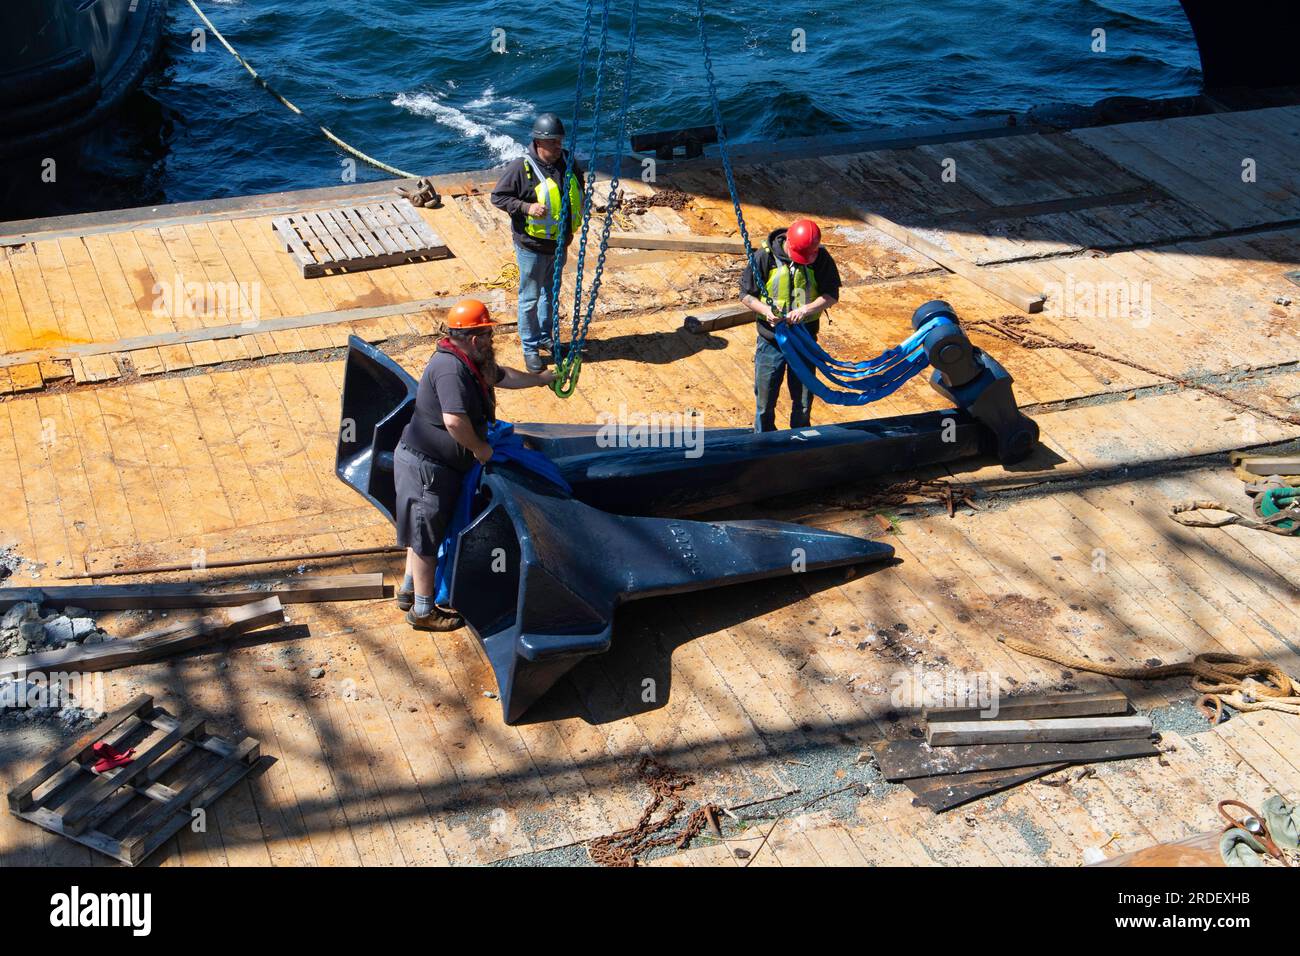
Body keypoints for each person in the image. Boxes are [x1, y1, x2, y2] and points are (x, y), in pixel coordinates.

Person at [394, 299, 555, 631]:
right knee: (425, 538)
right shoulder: (450, 369)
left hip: (437, 465)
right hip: (426, 467)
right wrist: (482, 449)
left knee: (421, 530)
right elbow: (453, 421)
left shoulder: (470, 359)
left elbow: (501, 376)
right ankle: (423, 612)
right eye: (485, 333)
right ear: (470, 337)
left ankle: (409, 589)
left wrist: (540, 379)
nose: (490, 338)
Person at [490, 112, 586, 373]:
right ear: (539, 142)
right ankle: (530, 349)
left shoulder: (567, 161)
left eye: (560, 141)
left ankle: (546, 338)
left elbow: (579, 187)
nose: (558, 147)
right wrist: (525, 207)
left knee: (550, 294)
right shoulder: (520, 168)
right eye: (553, 142)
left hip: (559, 244)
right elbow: (498, 197)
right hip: (531, 247)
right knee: (529, 298)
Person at [738, 218, 841, 433]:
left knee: (803, 400)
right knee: (765, 402)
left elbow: (831, 295)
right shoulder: (765, 257)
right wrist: (767, 312)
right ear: (789, 244)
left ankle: (800, 442)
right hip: (771, 341)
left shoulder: (819, 258)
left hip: (804, 340)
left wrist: (806, 310)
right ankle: (764, 442)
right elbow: (746, 296)